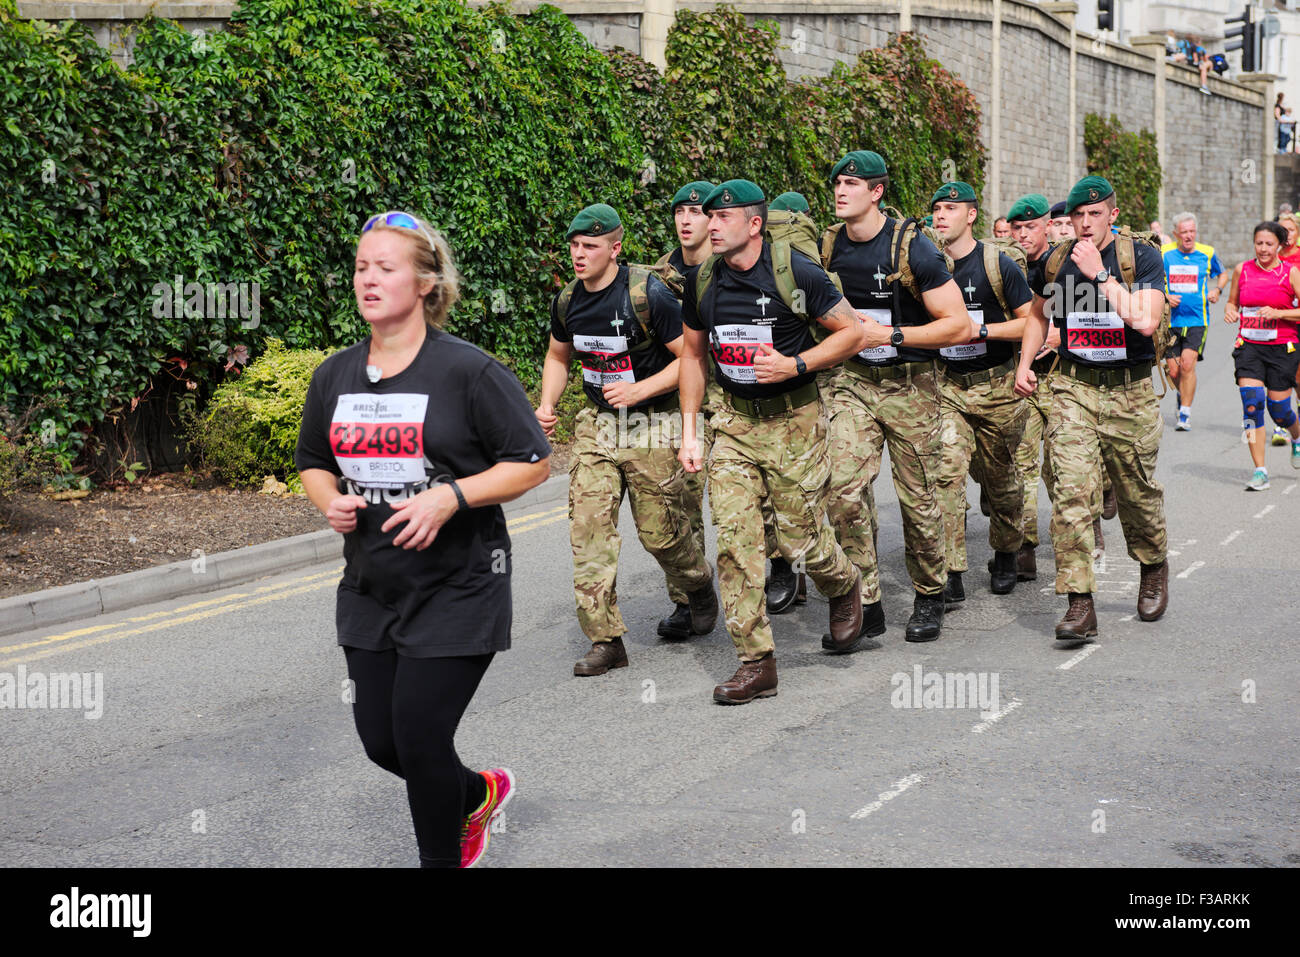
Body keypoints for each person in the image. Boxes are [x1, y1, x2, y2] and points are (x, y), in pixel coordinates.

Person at [295, 210, 551, 868]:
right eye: (360, 266)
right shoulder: (335, 376)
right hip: (372, 586)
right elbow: (314, 461)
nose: (368, 279)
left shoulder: (469, 372)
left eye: (386, 267)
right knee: (383, 742)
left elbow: (532, 459)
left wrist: (451, 495)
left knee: (418, 733)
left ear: (427, 282)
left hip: (460, 584)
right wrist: (332, 501)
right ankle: (476, 792)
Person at [678, 178, 869, 703]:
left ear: (754, 224)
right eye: (708, 217)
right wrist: (692, 430)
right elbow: (692, 357)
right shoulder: (703, 281)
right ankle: (756, 662)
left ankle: (842, 580)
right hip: (734, 426)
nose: (712, 226)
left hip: (795, 423)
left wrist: (797, 362)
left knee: (799, 538)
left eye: (724, 217)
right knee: (737, 543)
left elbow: (851, 332)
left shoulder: (796, 272)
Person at [538, 204, 718, 676]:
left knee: (661, 535)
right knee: (588, 530)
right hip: (598, 424)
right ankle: (606, 639)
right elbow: (558, 357)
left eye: (590, 246)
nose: (579, 255)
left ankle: (697, 584)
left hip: (653, 422)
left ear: (614, 249)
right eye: (575, 246)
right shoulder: (568, 300)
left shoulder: (647, 293)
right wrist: (547, 404)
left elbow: (692, 358)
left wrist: (641, 388)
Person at [819, 150, 971, 643]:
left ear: (876, 192)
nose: (841, 191)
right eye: (837, 183)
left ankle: (929, 594)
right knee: (841, 491)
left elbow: (958, 324)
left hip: (910, 385)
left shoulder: (912, 249)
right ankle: (866, 601)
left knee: (919, 499)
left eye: (852, 183)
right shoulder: (828, 247)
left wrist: (892, 335)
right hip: (854, 383)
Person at [1016, 176, 1170, 642]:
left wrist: (1099, 277)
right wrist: (1024, 363)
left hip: (1130, 393)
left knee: (1135, 494)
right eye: (1078, 215)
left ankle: (1153, 566)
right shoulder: (1058, 259)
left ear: (1112, 216)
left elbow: (1144, 320)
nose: (1084, 223)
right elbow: (1039, 315)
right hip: (1074, 389)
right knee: (1071, 494)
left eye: (1094, 214)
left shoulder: (1139, 257)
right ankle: (1080, 604)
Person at [929, 182, 1031, 602]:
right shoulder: (927, 265)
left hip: (998, 387)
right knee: (946, 474)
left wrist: (982, 330)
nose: (940, 215)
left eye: (950, 208)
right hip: (949, 387)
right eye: (936, 208)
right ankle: (950, 569)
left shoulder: (997, 264)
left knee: (1002, 481)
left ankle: (1007, 552)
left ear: (971, 216)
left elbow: (1031, 323)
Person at [1223, 221, 1300, 489]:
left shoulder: (1291, 273)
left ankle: (1296, 436)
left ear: (1280, 245)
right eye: (1259, 243)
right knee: (1252, 404)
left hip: (1283, 347)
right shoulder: (1242, 270)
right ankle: (1260, 471)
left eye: (1269, 244)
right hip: (1249, 347)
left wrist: (1279, 313)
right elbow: (1233, 301)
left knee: (1279, 411)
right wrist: (1230, 310)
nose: (1263, 249)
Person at [1161, 212, 1225, 431]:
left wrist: (1217, 289)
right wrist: (1165, 296)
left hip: (1198, 319)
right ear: (1175, 234)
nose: (1188, 236)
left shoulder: (1207, 253)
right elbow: (1153, 279)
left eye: (1192, 231)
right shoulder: (1164, 254)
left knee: (1188, 365)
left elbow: (1222, 274)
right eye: (1184, 232)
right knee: (1174, 371)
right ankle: (1182, 395)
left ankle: (1185, 413)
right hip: (1170, 322)